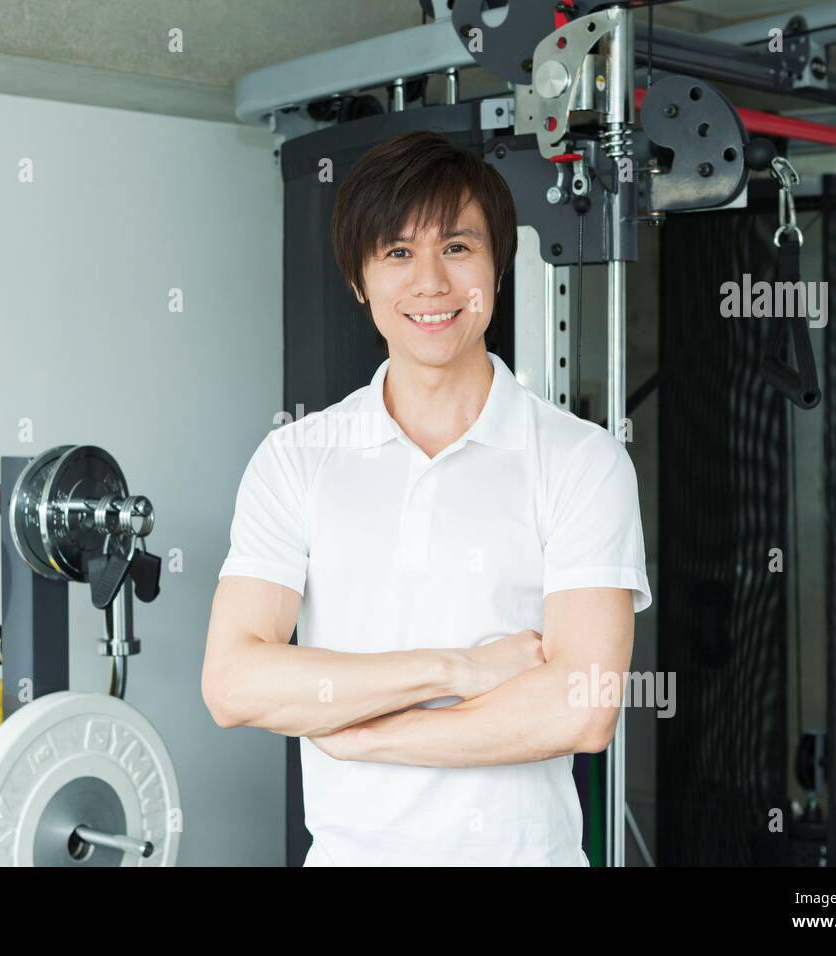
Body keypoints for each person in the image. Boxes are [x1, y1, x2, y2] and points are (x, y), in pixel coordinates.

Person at [202, 130, 651, 866]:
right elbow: (232, 684)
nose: (431, 284)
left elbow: (582, 703)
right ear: (360, 279)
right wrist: (456, 671)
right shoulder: (296, 459)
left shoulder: (582, 461)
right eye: (398, 253)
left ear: (497, 267)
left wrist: (373, 736)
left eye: (457, 248)